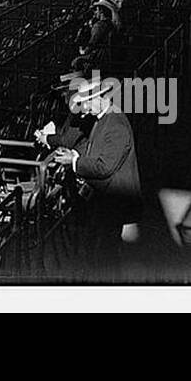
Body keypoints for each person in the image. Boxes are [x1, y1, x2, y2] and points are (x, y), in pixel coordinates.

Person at [51, 77, 141, 273]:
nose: (85, 109)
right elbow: (96, 150)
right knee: (99, 250)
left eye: (87, 103)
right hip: (105, 197)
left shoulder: (115, 125)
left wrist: (73, 162)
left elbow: (104, 167)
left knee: (103, 253)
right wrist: (77, 154)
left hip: (114, 199)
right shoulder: (104, 119)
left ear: (99, 98)